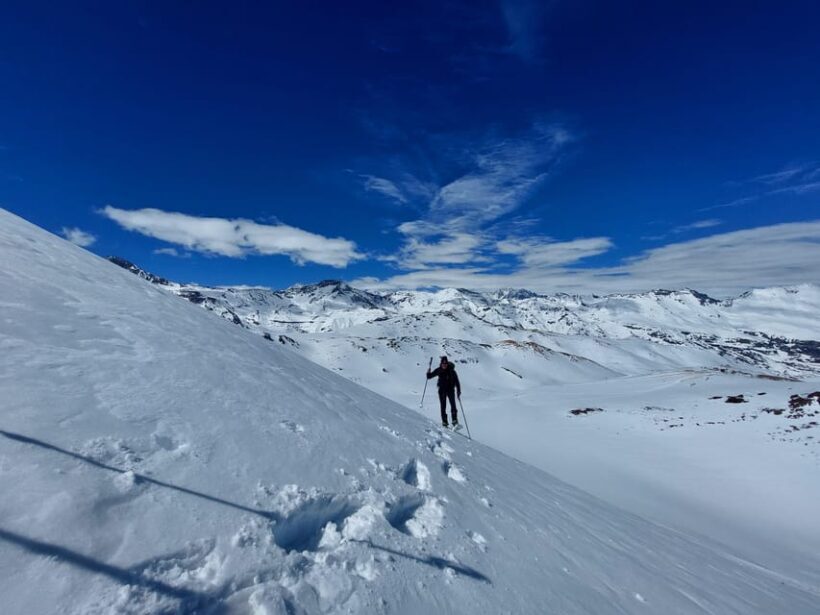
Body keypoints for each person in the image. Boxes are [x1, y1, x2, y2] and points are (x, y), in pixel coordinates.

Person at [427, 356, 461, 428]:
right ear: (441, 363)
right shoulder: (439, 370)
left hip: (450, 390)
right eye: (443, 363)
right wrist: (428, 372)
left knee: (453, 405)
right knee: (443, 406)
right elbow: (429, 376)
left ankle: (454, 421)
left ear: (447, 363)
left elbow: (457, 381)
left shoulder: (452, 371)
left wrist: (458, 391)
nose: (444, 365)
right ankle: (444, 422)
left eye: (445, 363)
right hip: (442, 391)